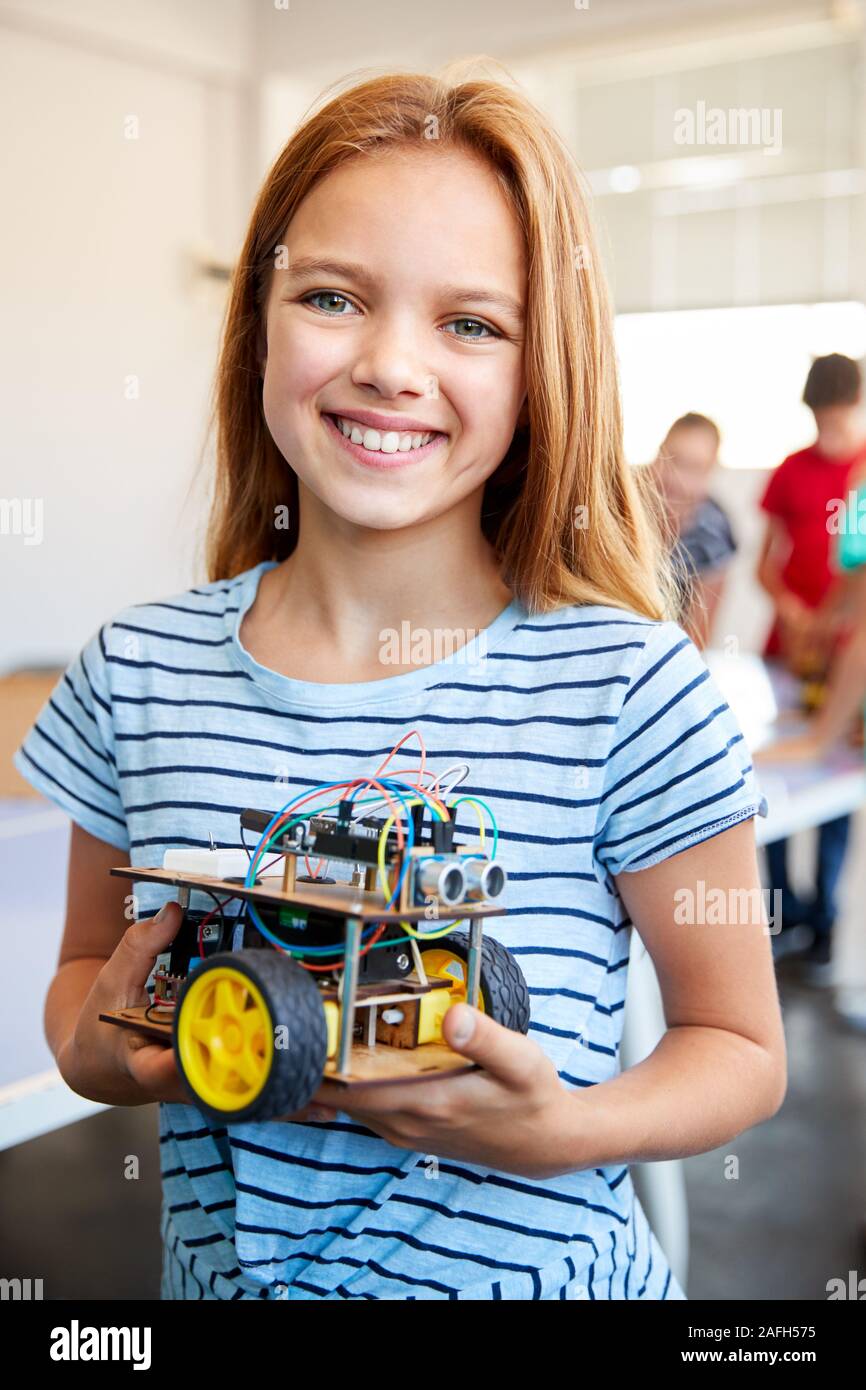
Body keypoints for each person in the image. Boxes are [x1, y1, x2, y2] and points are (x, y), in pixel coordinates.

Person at [13, 67, 785, 1302]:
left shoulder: (629, 685)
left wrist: (559, 1131)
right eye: (332, 297)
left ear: (542, 371)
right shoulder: (137, 674)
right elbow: (79, 994)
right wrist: (117, 1050)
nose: (388, 364)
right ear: (259, 322)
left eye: (470, 323)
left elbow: (739, 1048)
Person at [756, 354, 866, 980]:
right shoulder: (794, 471)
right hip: (797, 646)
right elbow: (765, 565)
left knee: (833, 784)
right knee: (779, 793)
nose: (829, 431)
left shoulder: (861, 471)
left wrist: (833, 627)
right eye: (819, 419)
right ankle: (781, 916)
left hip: (844, 650)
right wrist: (797, 615)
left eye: (839, 418)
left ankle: (824, 918)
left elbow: (853, 586)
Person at [650, 412, 736, 648]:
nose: (676, 479)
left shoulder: (715, 534)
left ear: (710, 473)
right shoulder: (619, 510)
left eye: (694, 468)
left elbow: (697, 637)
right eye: (672, 460)